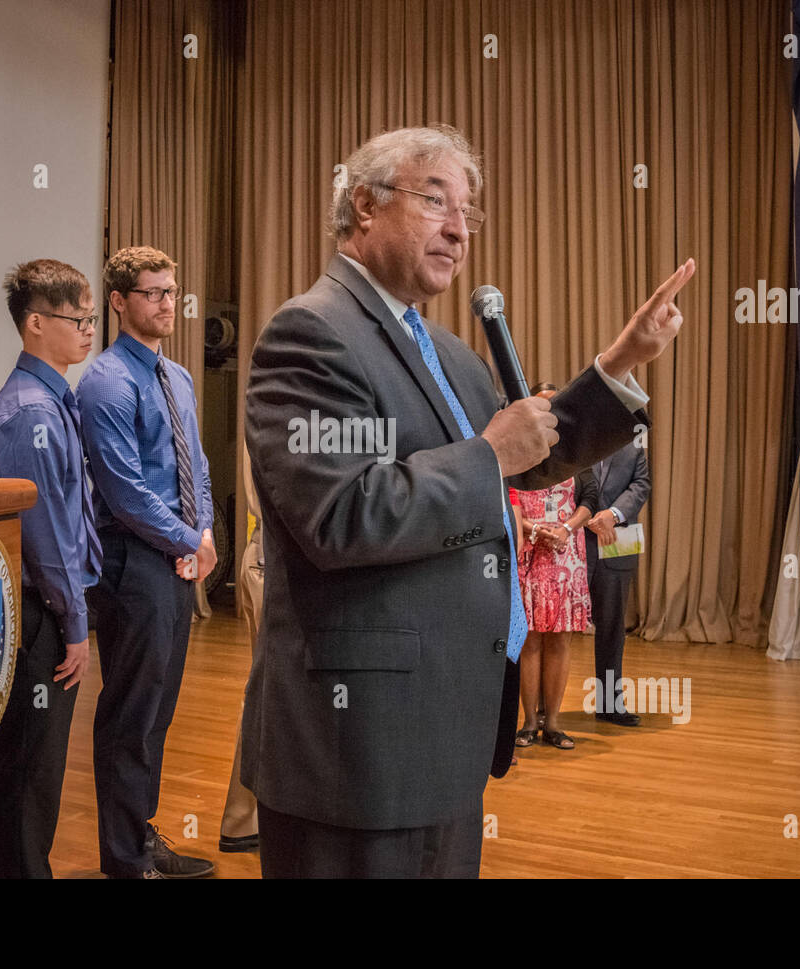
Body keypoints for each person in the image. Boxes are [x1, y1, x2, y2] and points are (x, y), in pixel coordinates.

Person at [242, 124, 695, 878]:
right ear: (363, 205)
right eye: (435, 200)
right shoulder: (311, 333)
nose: (459, 228)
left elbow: (534, 454)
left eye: (469, 211)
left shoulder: (450, 351)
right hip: (358, 754)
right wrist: (487, 453)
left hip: (447, 730)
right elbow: (342, 514)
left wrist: (619, 363)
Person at [77, 246, 217, 879]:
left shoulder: (178, 377)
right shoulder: (106, 380)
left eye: (171, 291)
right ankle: (125, 859)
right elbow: (123, 488)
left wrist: (205, 532)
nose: (168, 304)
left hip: (176, 557)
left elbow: (198, 463)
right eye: (153, 293)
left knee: (158, 709)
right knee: (132, 715)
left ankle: (143, 836)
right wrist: (186, 541)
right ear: (118, 302)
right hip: (133, 564)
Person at [0, 259, 102, 878]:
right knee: (32, 770)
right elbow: (48, 536)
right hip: (41, 612)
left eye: (89, 317)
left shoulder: (51, 398)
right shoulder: (33, 411)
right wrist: (76, 623)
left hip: (48, 606)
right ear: (35, 324)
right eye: (75, 318)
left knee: (36, 767)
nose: (88, 329)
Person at [512, 457, 598, 751]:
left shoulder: (575, 454)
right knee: (530, 641)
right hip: (528, 553)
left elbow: (590, 497)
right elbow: (504, 499)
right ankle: (528, 723)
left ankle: (553, 724)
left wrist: (567, 528)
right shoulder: (520, 453)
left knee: (560, 641)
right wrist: (532, 529)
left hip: (566, 555)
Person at [217, 444, 265, 853]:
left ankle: (246, 817)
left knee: (270, 694)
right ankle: (242, 819)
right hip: (274, 562)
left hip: (268, 558)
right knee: (270, 693)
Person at [584, 441, 652, 725]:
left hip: (618, 543)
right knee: (555, 633)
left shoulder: (632, 446)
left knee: (612, 628)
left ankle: (609, 704)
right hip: (575, 544)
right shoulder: (574, 442)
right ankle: (543, 711)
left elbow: (641, 485)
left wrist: (612, 515)